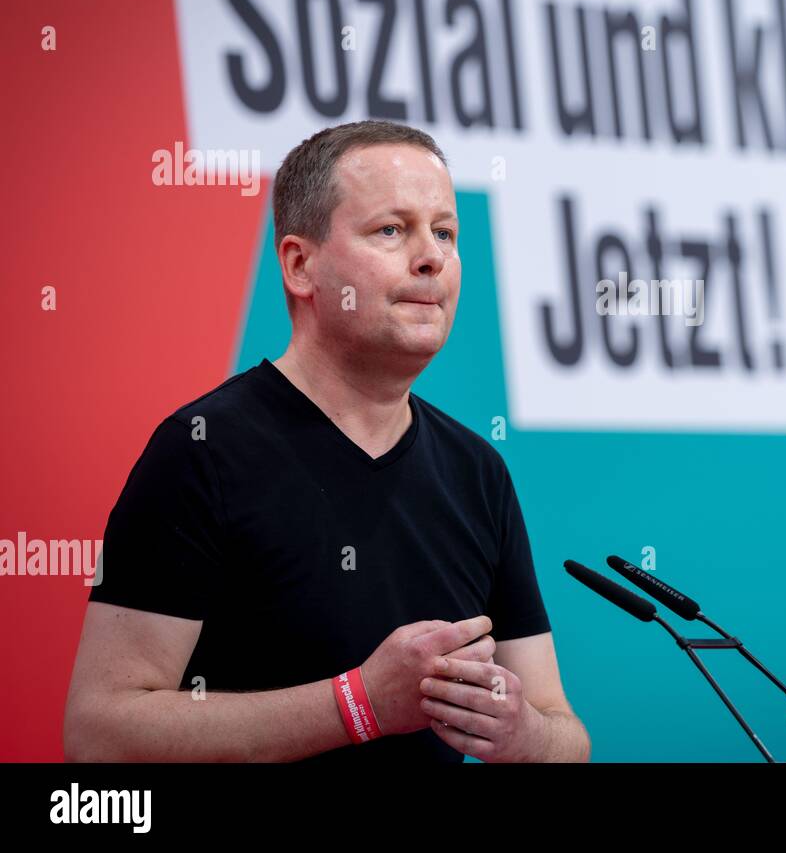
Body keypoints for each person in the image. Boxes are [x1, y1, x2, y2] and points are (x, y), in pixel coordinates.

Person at [63, 120, 590, 763]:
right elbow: (100, 735)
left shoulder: (478, 471)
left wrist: (523, 735)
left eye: (445, 232)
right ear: (300, 264)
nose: (431, 257)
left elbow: (564, 733)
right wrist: (357, 704)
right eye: (391, 230)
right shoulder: (201, 450)